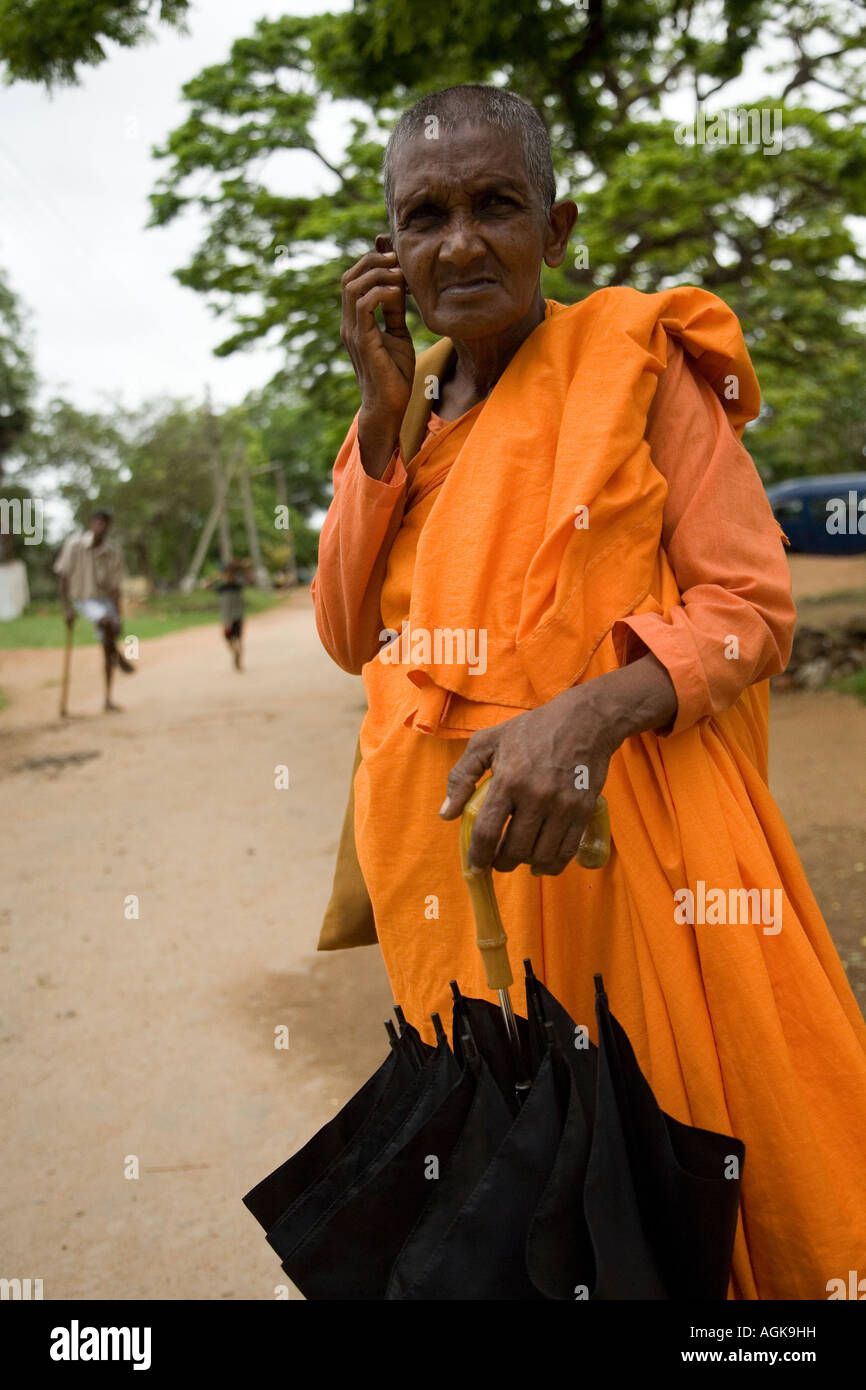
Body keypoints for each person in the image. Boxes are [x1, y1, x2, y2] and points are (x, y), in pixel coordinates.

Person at [311, 84, 866, 1299]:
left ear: (554, 228)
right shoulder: (393, 425)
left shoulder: (633, 360)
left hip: (619, 863)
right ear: (390, 250)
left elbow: (749, 610)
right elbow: (350, 633)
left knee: (669, 1191)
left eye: (493, 204)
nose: (459, 240)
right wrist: (377, 415)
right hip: (451, 879)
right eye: (425, 215)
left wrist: (586, 711)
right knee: (511, 1207)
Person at [54, 507, 134, 712]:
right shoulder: (74, 545)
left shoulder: (113, 552)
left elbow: (116, 587)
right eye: (97, 522)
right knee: (105, 622)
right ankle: (119, 656)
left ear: (108, 527)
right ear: (92, 523)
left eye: (104, 523)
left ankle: (108, 698)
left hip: (106, 600)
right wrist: (67, 609)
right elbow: (63, 576)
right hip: (83, 598)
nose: (101, 526)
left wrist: (119, 616)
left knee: (109, 640)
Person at [205, 559, 251, 670]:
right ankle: (236, 653)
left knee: (237, 639)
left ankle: (237, 655)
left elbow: (250, 579)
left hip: (234, 617)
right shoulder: (224, 587)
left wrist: (244, 569)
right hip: (229, 617)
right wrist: (217, 576)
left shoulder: (236, 585)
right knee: (233, 638)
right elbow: (206, 586)